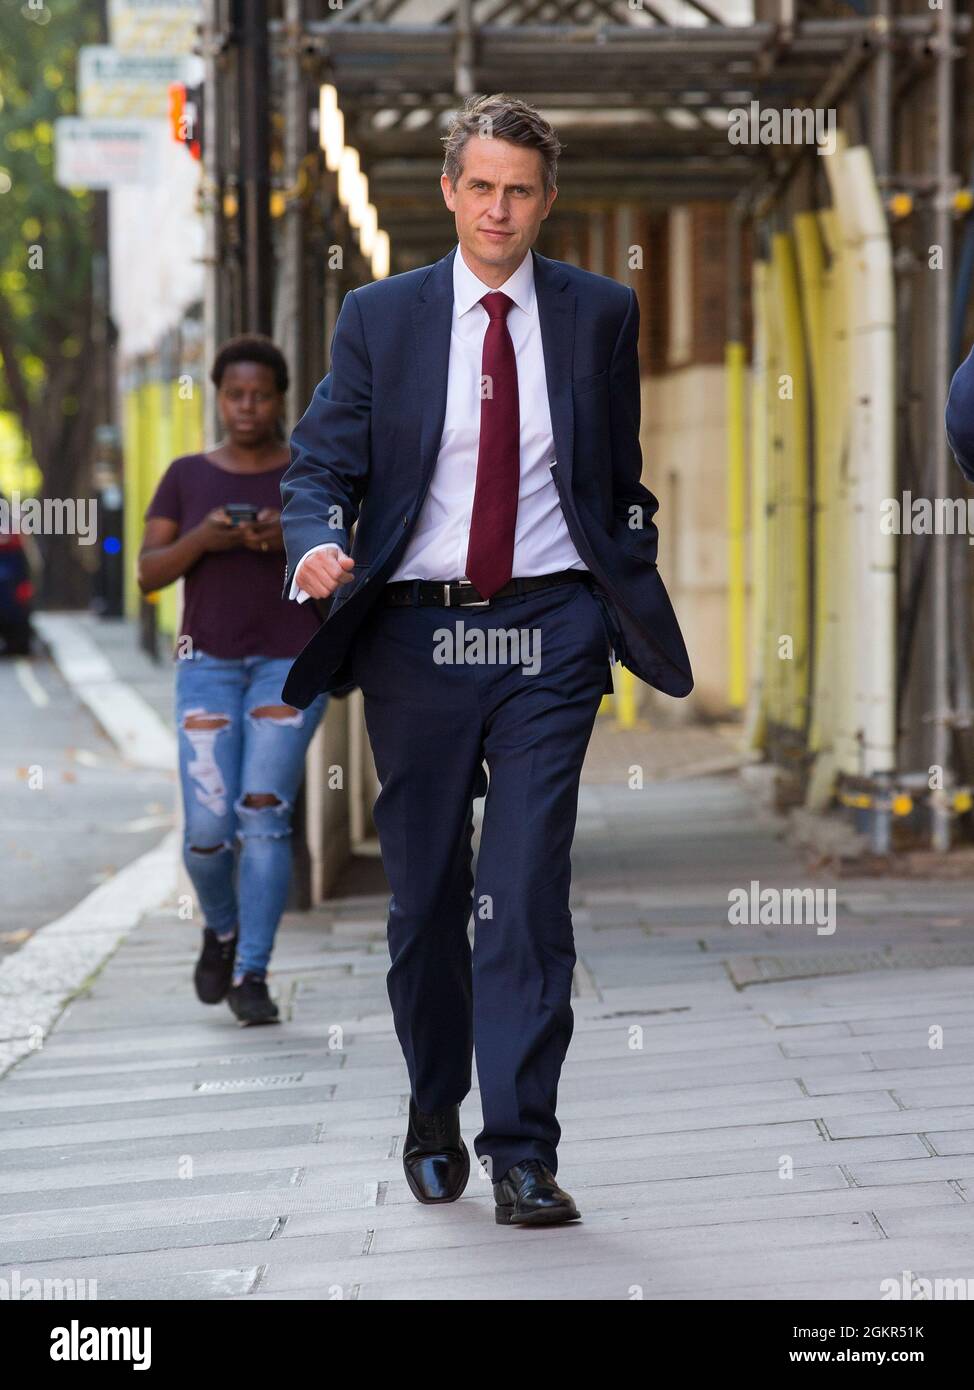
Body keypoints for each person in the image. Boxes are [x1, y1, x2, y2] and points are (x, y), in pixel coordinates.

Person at [280, 94, 693, 1224]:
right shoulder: (383, 317)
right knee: (425, 899)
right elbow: (320, 465)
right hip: (418, 632)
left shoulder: (601, 313)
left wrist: (623, 562)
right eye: (481, 186)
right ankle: (430, 1105)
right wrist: (317, 545)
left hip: (548, 631)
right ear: (448, 193)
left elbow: (616, 476)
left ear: (545, 200)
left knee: (521, 891)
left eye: (521, 189)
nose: (499, 207)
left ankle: (521, 1149)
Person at [138, 335, 328, 1026]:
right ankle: (220, 929)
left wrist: (293, 538)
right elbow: (148, 570)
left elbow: (353, 553)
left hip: (289, 663)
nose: (246, 407)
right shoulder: (188, 476)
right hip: (207, 667)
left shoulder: (309, 472)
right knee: (208, 832)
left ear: (280, 399)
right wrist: (204, 540)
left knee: (264, 817)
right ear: (218, 398)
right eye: (234, 394)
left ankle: (252, 974)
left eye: (260, 395)